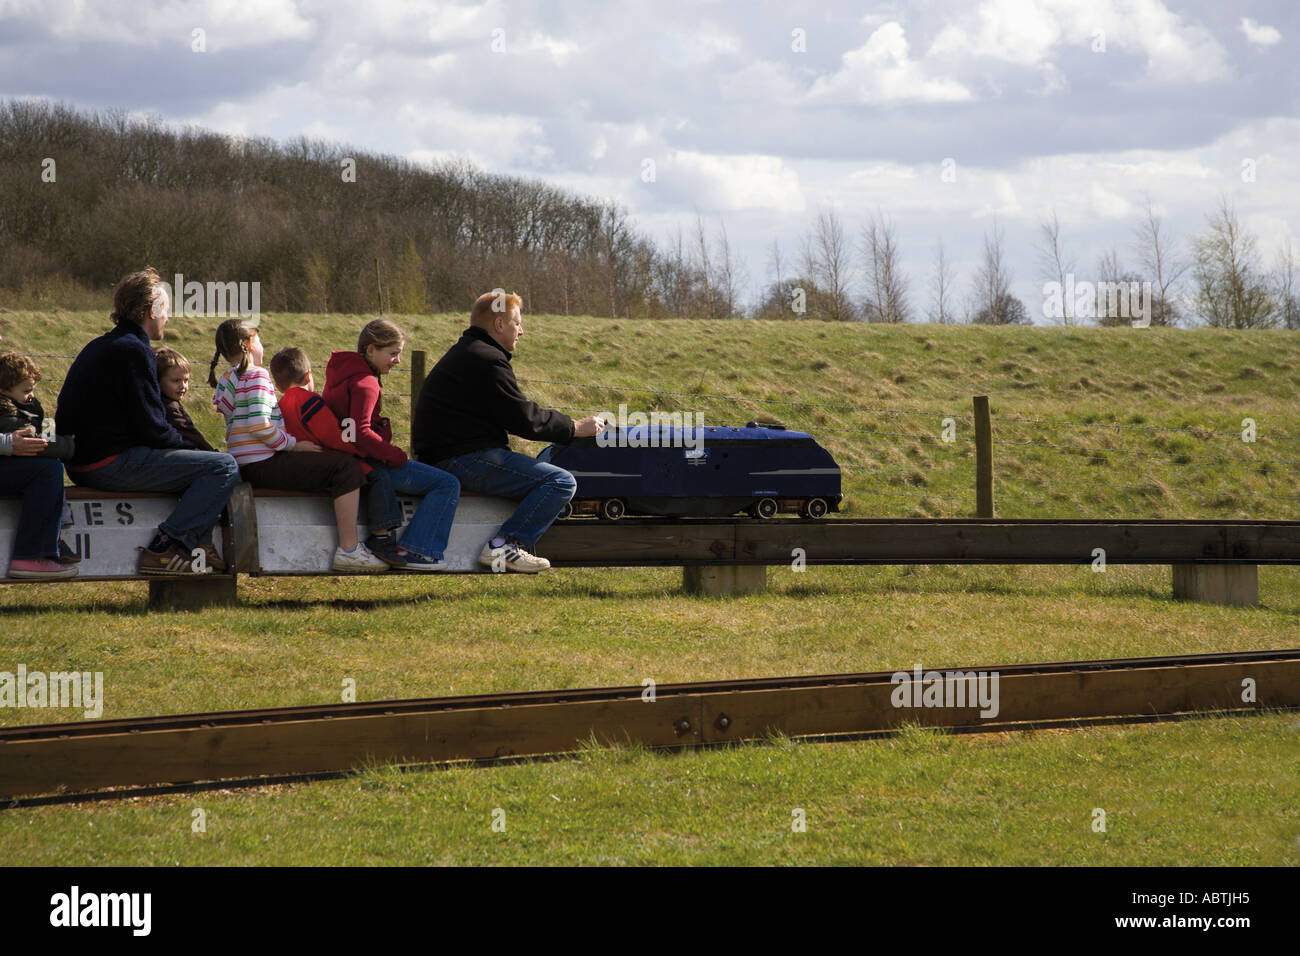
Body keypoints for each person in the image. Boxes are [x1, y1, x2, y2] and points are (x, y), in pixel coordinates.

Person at [56, 268, 239, 576]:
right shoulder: (134, 351)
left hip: (81, 462)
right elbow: (152, 426)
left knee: (200, 465)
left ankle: (201, 549)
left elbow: (65, 412)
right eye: (165, 309)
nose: (168, 317)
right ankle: (166, 548)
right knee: (222, 467)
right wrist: (191, 451)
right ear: (149, 311)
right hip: (109, 464)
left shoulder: (100, 345)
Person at [411, 291, 605, 573]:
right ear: (499, 324)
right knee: (560, 482)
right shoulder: (486, 359)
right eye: (517, 323)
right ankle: (503, 546)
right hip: (461, 458)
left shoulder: (471, 352)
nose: (522, 331)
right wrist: (575, 427)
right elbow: (524, 419)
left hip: (449, 454)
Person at [209, 320, 388, 573]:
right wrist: (292, 445)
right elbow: (258, 426)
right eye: (259, 340)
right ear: (249, 344)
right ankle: (349, 550)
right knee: (346, 468)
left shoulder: (227, 378)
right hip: (263, 461)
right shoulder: (257, 374)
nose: (262, 346)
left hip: (243, 463)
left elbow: (233, 420)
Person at [322, 319, 460, 570]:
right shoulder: (366, 383)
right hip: (365, 458)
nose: (397, 361)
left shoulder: (341, 375)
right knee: (447, 483)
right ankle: (417, 550)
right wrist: (394, 455)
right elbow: (361, 432)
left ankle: (385, 538)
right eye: (393, 353)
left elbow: (349, 429)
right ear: (371, 350)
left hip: (346, 456)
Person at [269, 346, 406, 569]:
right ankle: (383, 536)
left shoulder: (281, 404)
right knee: (379, 477)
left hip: (302, 464)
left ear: (277, 385)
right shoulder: (311, 402)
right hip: (329, 461)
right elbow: (333, 437)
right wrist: (363, 451)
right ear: (309, 376)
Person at [0, 352, 78, 579]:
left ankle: (50, 541)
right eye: (26, 391)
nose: (31, 395)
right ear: (4, 390)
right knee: (48, 469)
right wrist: (71, 446)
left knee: (49, 467)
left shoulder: (28, 406)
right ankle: (32, 554)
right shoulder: (5, 411)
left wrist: (52, 429)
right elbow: (36, 442)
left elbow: (45, 431)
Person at [154, 346, 216, 452]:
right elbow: (192, 435)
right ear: (158, 380)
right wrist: (212, 452)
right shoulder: (170, 407)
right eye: (176, 380)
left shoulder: (163, 402)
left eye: (186, 380)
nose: (183, 386)